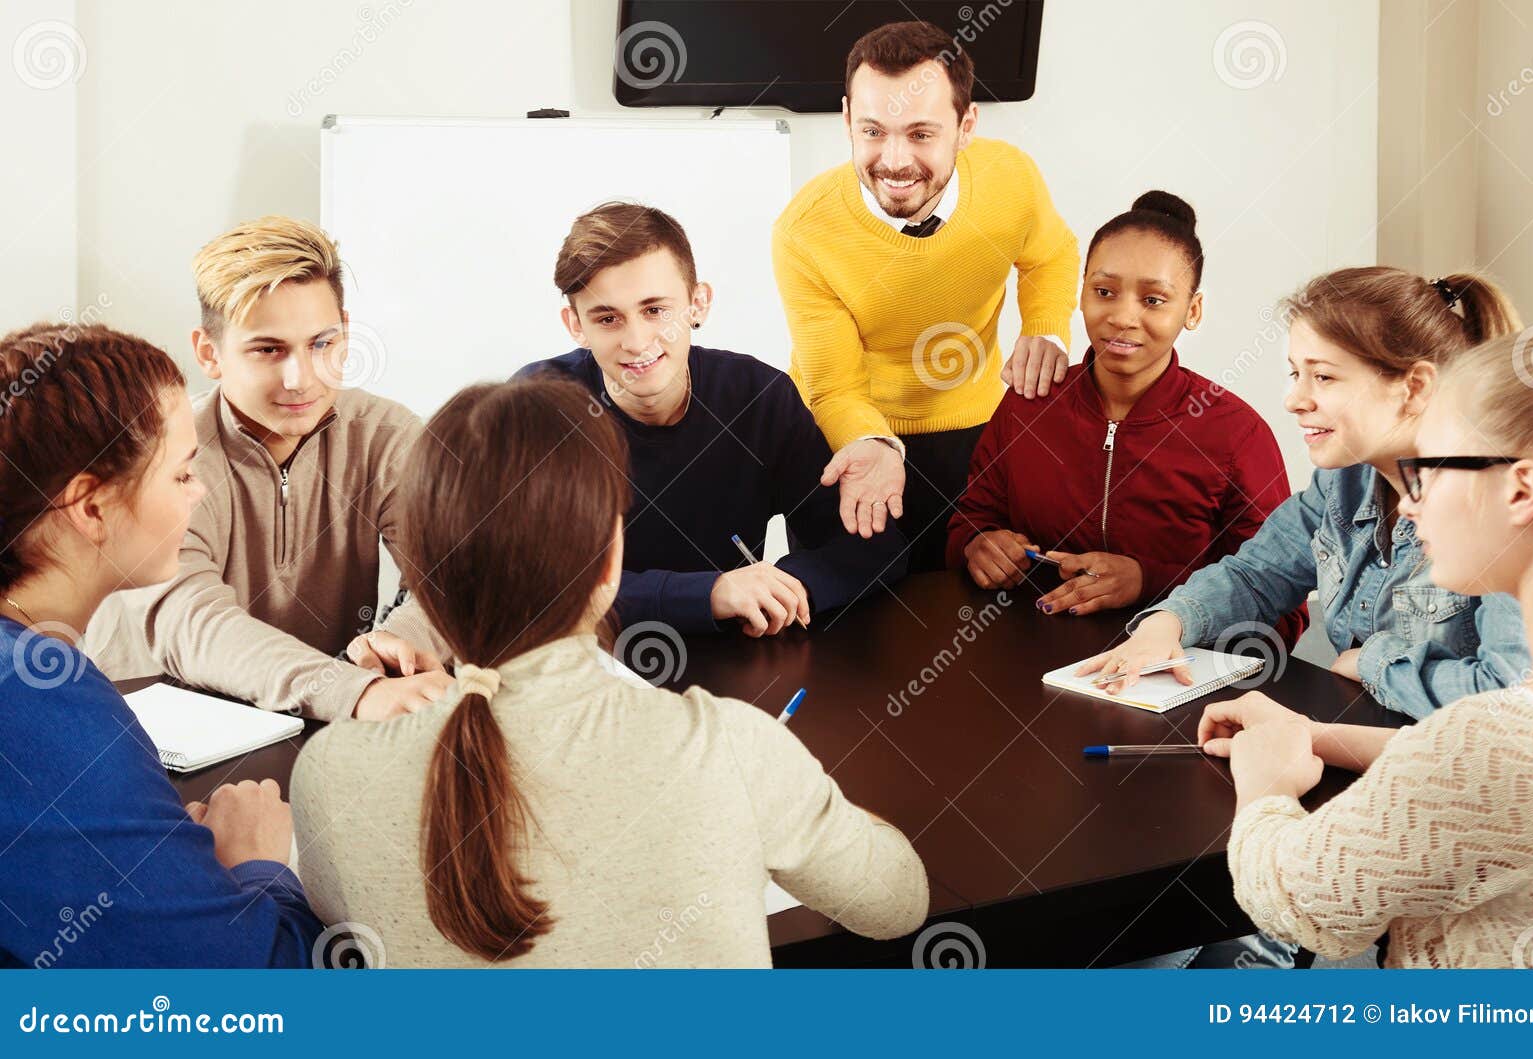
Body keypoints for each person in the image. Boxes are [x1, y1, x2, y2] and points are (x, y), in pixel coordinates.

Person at [290, 374, 930, 966]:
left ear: (423, 589)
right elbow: (899, 905)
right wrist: (807, 800)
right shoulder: (735, 749)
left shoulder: (329, 773)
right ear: (608, 571)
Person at [1203, 328, 1533, 968]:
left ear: (1521, 491)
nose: (1409, 507)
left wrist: (1266, 787)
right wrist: (1316, 734)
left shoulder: (1495, 740)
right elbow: (1495, 775)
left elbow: (1298, 899)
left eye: (1428, 472)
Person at [0, 322, 321, 967]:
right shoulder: (41, 703)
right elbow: (248, 985)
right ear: (91, 508)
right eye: (181, 475)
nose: (198, 492)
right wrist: (259, 863)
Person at [1079, 267, 1531, 718]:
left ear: (1414, 387)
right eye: (1296, 373)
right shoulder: (1343, 482)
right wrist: (1168, 622)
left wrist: (1374, 662)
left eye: (1324, 377)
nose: (1294, 400)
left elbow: (1514, 698)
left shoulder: (1506, 511)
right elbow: (1255, 576)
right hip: (1361, 739)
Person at [83, 216, 452, 721]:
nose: (300, 379)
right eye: (268, 349)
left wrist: (398, 642)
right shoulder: (163, 455)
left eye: (322, 343)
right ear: (209, 353)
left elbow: (453, 575)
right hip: (156, 724)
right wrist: (355, 691)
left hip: (309, 718)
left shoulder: (386, 435)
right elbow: (193, 623)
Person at [773, 20, 1080, 572]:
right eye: (872, 131)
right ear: (846, 119)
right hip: (850, 435)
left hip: (973, 427)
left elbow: (1050, 254)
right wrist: (874, 443)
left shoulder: (1011, 177)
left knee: (975, 590)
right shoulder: (803, 232)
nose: (894, 161)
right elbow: (835, 386)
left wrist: (1046, 326)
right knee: (850, 608)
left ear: (966, 127)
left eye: (920, 134)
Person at [521, 202, 907, 637]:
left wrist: (788, 586)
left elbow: (874, 547)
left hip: (736, 653)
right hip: (590, 660)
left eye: (654, 310)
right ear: (575, 325)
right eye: (608, 319)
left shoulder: (759, 397)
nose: (637, 342)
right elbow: (528, 586)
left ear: (698, 304)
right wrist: (708, 593)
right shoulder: (536, 410)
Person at [947, 191, 1304, 649]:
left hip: (1172, 677)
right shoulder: (1028, 405)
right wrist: (978, 545)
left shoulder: (1237, 434)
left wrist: (1148, 582)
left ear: (1192, 311)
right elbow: (969, 522)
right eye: (1104, 292)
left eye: (1153, 299)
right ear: (1081, 293)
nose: (1122, 317)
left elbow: (1281, 609)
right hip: (1024, 659)